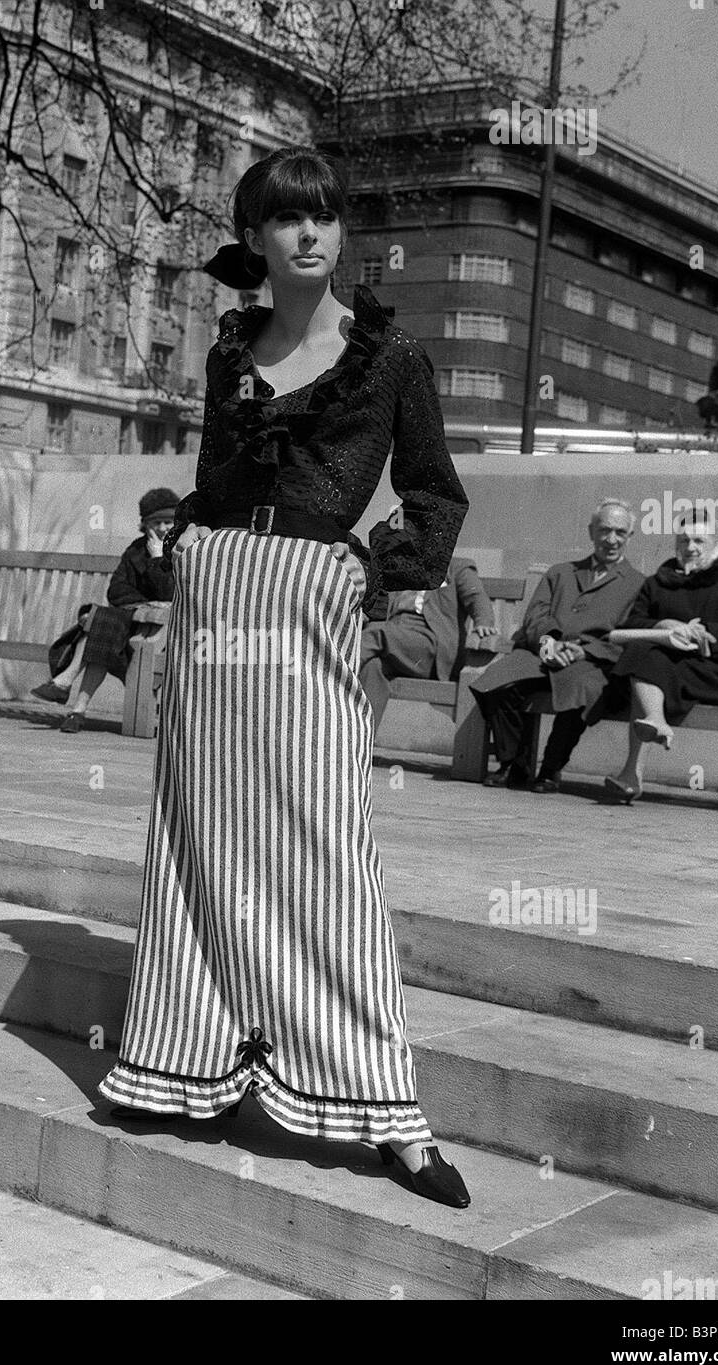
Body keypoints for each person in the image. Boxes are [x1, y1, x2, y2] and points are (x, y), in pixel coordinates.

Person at [96, 146, 473, 1208]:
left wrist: (372, 566)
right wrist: (185, 571)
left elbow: (434, 495)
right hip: (218, 594)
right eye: (284, 219)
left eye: (322, 218)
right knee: (193, 833)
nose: (308, 235)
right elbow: (213, 487)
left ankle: (384, 1109)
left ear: (339, 233)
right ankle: (178, 1061)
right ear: (254, 238)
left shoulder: (390, 359)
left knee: (326, 853)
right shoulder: (226, 355)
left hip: (310, 599)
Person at [470, 500, 645, 791]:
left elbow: (630, 635)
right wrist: (547, 640)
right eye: (604, 531)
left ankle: (551, 769)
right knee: (496, 682)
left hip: (593, 661)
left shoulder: (639, 584)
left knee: (582, 689)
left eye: (619, 532)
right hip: (543, 651)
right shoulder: (561, 572)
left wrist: (583, 650)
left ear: (630, 536)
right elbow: (536, 614)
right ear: (591, 532)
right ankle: (513, 763)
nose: (611, 540)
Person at [603, 509, 718, 803]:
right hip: (660, 667)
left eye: (700, 540)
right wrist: (662, 627)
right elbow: (633, 624)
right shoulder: (658, 582)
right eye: (684, 540)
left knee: (645, 660)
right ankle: (651, 728)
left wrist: (700, 634)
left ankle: (637, 759)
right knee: (645, 653)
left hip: (711, 670)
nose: (690, 548)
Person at [31, 488, 177, 732]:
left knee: (100, 628)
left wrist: (157, 559)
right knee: (103, 631)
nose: (163, 528)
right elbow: (116, 591)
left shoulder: (178, 551)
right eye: (156, 522)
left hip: (164, 630)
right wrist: (143, 604)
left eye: (168, 522)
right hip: (129, 625)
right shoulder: (135, 550)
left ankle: (69, 691)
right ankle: (76, 710)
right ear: (145, 524)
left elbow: (168, 594)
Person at [358, 549, 497, 731]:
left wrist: (483, 622)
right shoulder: (401, 571)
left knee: (377, 633)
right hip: (397, 642)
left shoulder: (458, 567)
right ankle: (360, 742)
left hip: (430, 640)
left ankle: (334, 670)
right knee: (372, 666)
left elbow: (476, 597)